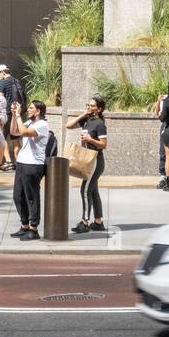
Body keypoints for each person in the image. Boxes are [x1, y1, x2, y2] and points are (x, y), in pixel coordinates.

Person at [10, 99, 51, 241]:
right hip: (22, 163)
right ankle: (24, 225)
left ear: (38, 111)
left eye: (31, 108)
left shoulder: (42, 125)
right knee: (18, 196)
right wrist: (15, 115)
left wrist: (19, 116)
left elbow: (24, 132)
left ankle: (34, 228)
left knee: (32, 198)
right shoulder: (29, 122)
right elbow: (14, 131)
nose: (28, 109)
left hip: (33, 165)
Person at [67, 97, 108, 234]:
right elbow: (69, 125)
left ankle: (85, 222)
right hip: (87, 159)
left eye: (92, 106)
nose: (89, 107)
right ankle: (98, 222)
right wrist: (84, 114)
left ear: (99, 109)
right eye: (88, 105)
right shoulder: (87, 120)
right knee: (93, 192)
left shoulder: (99, 124)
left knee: (85, 191)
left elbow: (104, 144)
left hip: (95, 160)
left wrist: (90, 139)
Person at [0, 64, 26, 169]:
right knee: (15, 138)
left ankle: (8, 161)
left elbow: (0, 100)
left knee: (3, 138)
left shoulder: (2, 83)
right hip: (17, 113)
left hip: (6, 113)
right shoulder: (17, 81)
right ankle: (18, 162)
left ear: (3, 72)